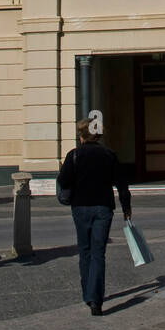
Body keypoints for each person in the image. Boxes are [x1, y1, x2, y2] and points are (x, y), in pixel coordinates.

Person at [57, 119, 132, 315]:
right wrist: (126, 208)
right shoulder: (109, 155)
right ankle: (96, 300)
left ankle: (87, 294)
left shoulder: (73, 155)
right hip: (103, 207)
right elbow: (122, 184)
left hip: (80, 207)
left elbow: (63, 180)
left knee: (85, 250)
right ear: (98, 135)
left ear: (81, 135)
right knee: (99, 252)